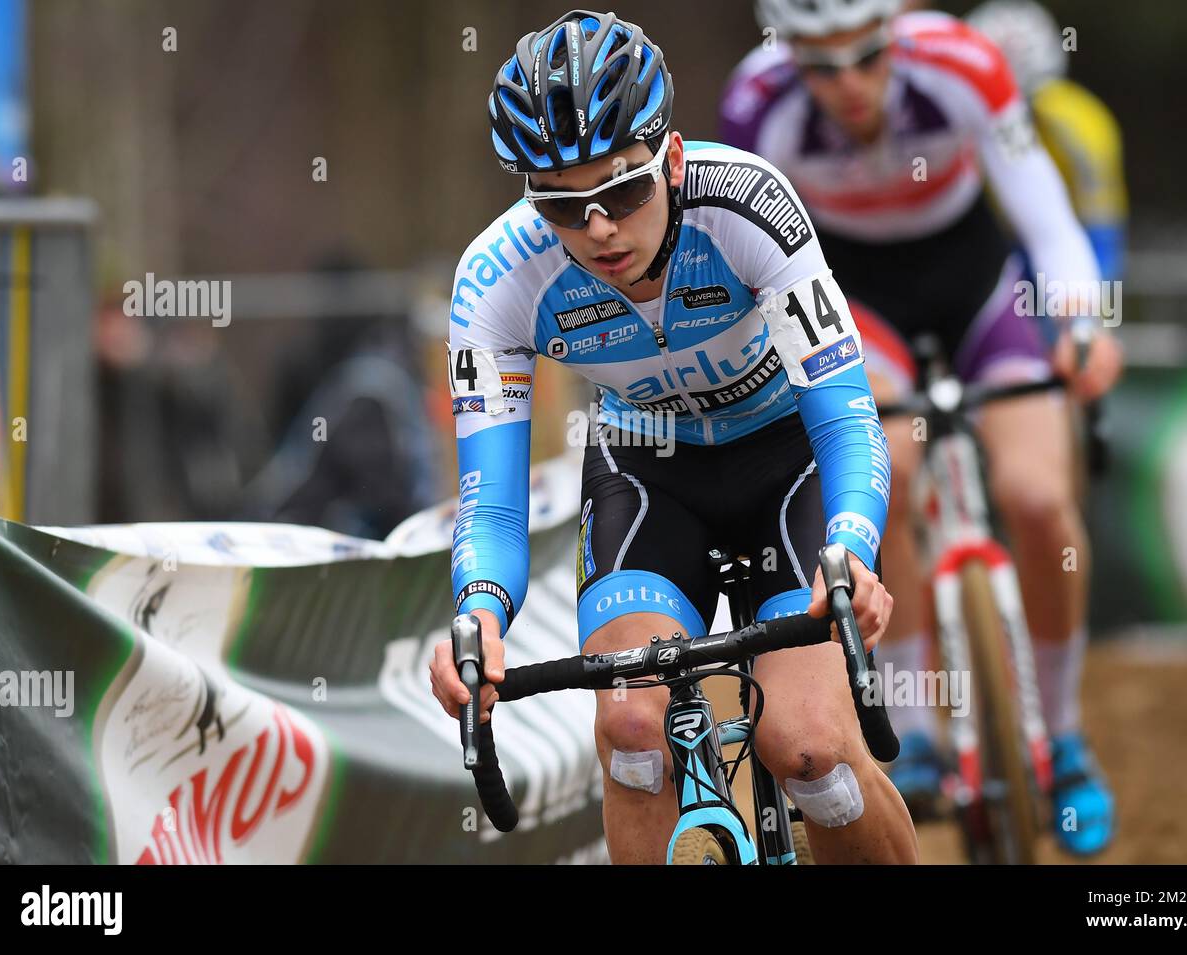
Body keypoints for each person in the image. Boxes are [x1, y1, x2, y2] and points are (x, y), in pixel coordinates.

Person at [430, 9, 917, 864]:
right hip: (649, 474)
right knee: (629, 729)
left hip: (786, 462)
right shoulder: (495, 281)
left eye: (623, 191)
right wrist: (477, 611)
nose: (601, 229)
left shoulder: (750, 205)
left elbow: (845, 410)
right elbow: (494, 503)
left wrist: (850, 546)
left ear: (676, 158)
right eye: (563, 206)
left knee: (810, 750)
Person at [722, 0, 1122, 855]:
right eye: (820, 66)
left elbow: (1044, 210)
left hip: (981, 288)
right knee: (887, 470)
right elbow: (749, 259)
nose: (850, 85)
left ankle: (1065, 736)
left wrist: (1083, 323)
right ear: (786, 56)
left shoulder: (963, 62)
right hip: (860, 302)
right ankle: (913, 727)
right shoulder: (757, 105)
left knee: (1040, 498)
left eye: (867, 57)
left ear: (895, 35)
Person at [969, 0, 1128, 293]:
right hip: (999, 237)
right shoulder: (965, 120)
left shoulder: (1086, 129)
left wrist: (1090, 309)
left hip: (1077, 232)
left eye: (1020, 109)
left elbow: (1103, 233)